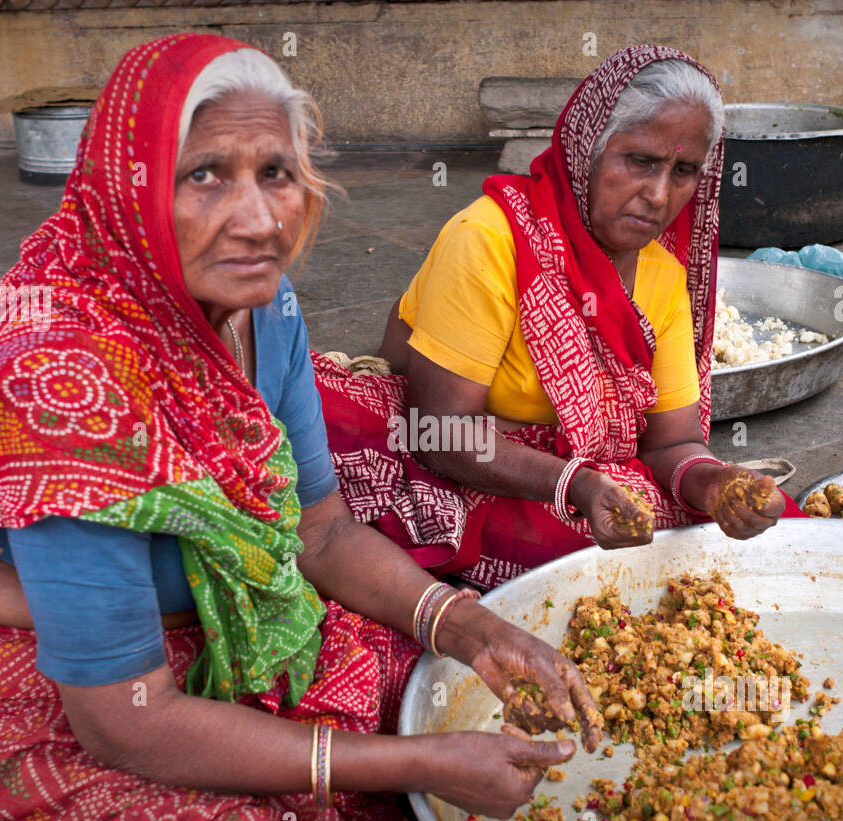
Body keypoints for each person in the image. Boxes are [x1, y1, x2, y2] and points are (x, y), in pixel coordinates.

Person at [0, 34, 601, 821]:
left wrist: (466, 626)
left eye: (276, 174)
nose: (257, 221)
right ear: (129, 191)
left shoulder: (264, 308)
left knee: (418, 683)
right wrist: (416, 765)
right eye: (205, 174)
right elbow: (126, 721)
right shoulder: (63, 384)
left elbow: (318, 535)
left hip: (155, 636)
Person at [315, 46, 804, 591]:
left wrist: (711, 484)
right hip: (451, 458)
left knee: (775, 527)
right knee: (608, 569)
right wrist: (577, 486)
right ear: (587, 150)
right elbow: (438, 431)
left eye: (684, 170)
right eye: (640, 161)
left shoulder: (664, 278)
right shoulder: (491, 239)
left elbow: (669, 445)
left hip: (578, 473)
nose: (659, 194)